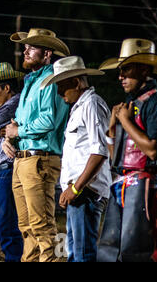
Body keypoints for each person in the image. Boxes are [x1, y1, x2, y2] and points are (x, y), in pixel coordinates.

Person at [97, 38, 157, 262]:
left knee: (135, 248)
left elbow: (153, 151)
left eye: (126, 70)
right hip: (122, 182)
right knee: (109, 248)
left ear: (143, 69)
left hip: (143, 183)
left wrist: (125, 122)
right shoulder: (131, 103)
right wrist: (113, 127)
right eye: (120, 71)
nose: (120, 76)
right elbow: (116, 159)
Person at [2, 28, 70, 262]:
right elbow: (19, 122)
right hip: (24, 159)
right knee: (26, 227)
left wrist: (18, 131)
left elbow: (48, 120)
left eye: (32, 47)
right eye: (26, 47)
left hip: (39, 159)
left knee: (41, 227)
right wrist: (8, 139)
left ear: (47, 52)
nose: (25, 51)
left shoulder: (50, 79)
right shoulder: (32, 81)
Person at [40, 56, 112, 262]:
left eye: (61, 85)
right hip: (80, 191)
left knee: (82, 254)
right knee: (76, 253)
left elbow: (99, 151)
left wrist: (76, 188)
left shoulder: (91, 104)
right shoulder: (81, 106)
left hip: (85, 192)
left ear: (75, 82)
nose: (59, 92)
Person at [0, 63, 24, 262]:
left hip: (6, 169)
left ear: (7, 88)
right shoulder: (6, 108)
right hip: (1, 170)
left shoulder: (13, 104)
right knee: (7, 225)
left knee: (6, 225)